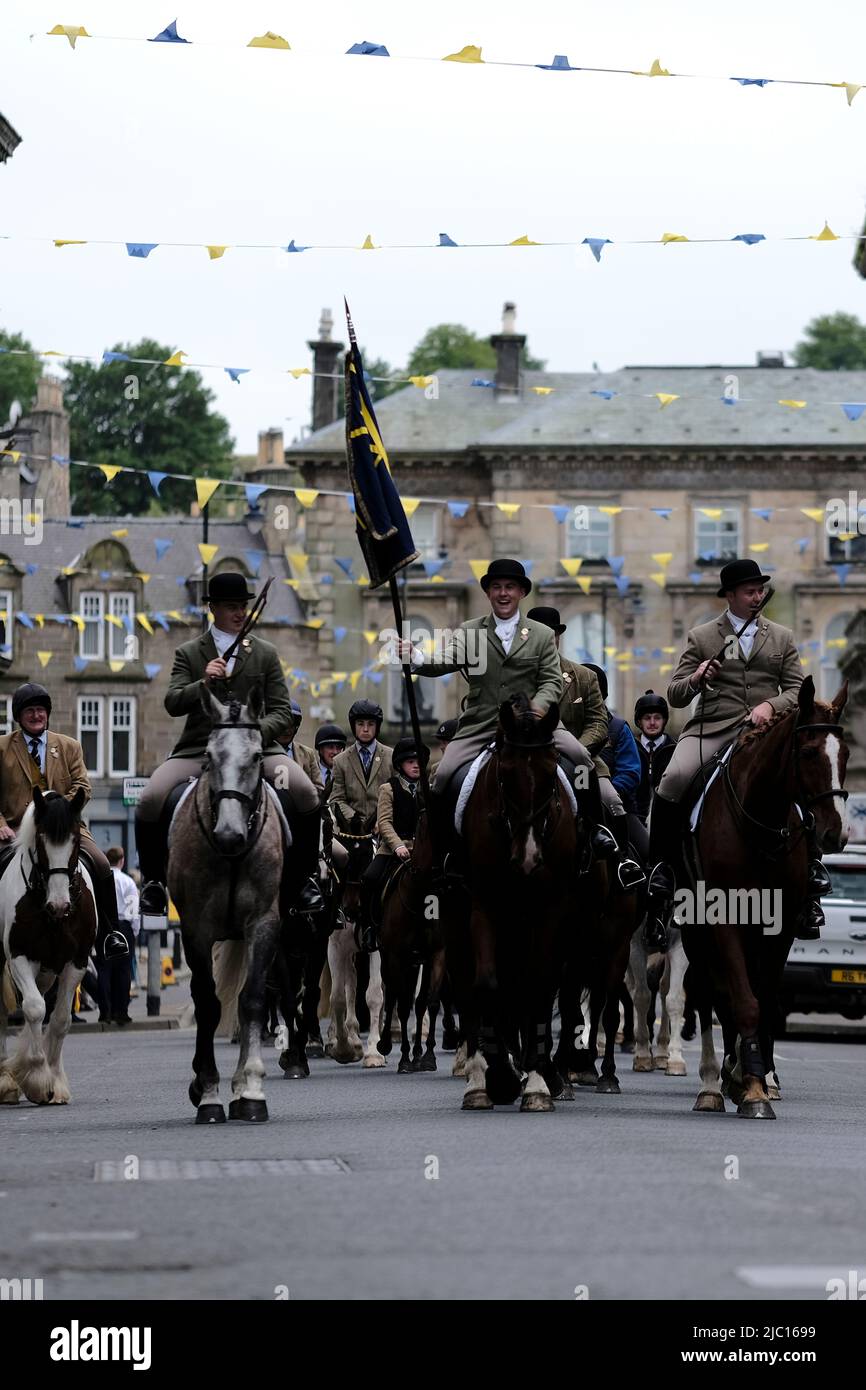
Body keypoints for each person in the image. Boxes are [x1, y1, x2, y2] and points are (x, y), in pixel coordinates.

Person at [395, 558, 618, 875]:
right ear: (488, 593)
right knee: (442, 776)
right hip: (482, 725)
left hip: (534, 726)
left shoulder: (540, 634)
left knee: (580, 758)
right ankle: (442, 851)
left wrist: (537, 709)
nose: (503, 593)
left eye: (510, 587)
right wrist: (415, 657)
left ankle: (595, 830)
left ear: (521, 593)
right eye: (497, 587)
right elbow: (445, 660)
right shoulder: (471, 631)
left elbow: (552, 681)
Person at [646, 557, 820, 950]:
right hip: (713, 727)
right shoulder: (703, 635)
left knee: (807, 778)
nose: (757, 597)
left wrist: (771, 707)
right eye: (749, 591)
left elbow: (798, 690)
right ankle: (661, 874)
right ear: (730, 596)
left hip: (765, 730)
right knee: (672, 780)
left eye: (760, 590)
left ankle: (812, 877)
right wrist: (696, 676)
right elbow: (674, 693)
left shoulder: (782, 637)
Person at [135, 571, 323, 918]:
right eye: (232, 607)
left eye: (243, 606)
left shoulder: (265, 653)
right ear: (214, 609)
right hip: (200, 749)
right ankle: (153, 884)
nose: (240, 613)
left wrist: (252, 735)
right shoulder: (189, 652)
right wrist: (202, 681)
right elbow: (173, 702)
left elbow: (281, 710)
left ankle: (305, 879)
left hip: (257, 750)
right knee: (149, 798)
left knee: (306, 793)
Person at [0, 682, 127, 959]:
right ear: (18, 716)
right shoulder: (2, 748)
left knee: (103, 864)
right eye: (30, 711)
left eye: (41, 710)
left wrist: (60, 812)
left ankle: (110, 932)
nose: (36, 715)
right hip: (15, 830)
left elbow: (83, 786)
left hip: (64, 827)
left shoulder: (69, 746)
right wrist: (0, 824)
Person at [530, 610, 643, 891]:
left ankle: (622, 862)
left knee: (612, 800)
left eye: (552, 635)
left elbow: (598, 721)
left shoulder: (582, 676)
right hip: (528, 758)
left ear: (557, 638)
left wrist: (579, 748)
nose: (548, 640)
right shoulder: (510, 676)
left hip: (580, 761)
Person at [357, 736, 427, 951]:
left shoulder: (429, 788)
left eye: (418, 761)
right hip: (393, 849)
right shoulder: (388, 789)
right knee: (369, 879)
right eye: (410, 761)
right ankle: (369, 927)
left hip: (422, 851)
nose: (415, 765)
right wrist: (398, 845)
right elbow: (384, 822)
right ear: (400, 765)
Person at [583, 664, 648, 877]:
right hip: (577, 805)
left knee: (648, 851)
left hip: (615, 808)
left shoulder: (618, 728)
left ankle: (644, 885)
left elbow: (631, 773)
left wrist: (606, 791)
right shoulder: (567, 728)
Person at [327, 700, 394, 840]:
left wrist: (382, 820)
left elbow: (398, 796)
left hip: (385, 831)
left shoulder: (391, 757)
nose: (365, 729)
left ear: (377, 727)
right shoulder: (340, 761)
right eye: (360, 724)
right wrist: (354, 819)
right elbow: (336, 799)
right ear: (353, 726)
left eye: (370, 724)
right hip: (351, 833)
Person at [98, 846, 139, 1025]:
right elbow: (133, 911)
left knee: (104, 969)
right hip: (123, 926)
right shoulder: (128, 882)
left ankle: (105, 1012)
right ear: (122, 860)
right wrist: (133, 931)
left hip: (104, 927)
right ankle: (121, 1012)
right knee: (123, 970)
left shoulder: (100, 880)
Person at [633, 690, 677, 824]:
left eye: (657, 718)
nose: (652, 723)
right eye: (647, 718)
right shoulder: (631, 748)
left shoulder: (675, 749)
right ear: (639, 721)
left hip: (667, 819)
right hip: (635, 816)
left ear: (664, 721)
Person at [277, 701, 323, 790]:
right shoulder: (262, 752)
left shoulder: (307, 753)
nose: (287, 731)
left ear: (296, 727)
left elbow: (319, 788)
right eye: (283, 725)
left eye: (291, 726)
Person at [315, 724, 348, 795]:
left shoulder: (347, 774)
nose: (335, 752)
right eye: (330, 747)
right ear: (321, 750)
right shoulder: (310, 772)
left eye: (338, 747)